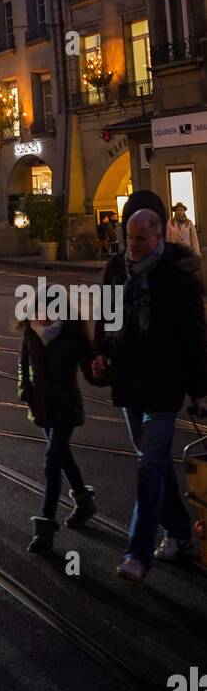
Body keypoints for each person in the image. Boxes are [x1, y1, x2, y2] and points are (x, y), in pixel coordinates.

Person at [93, 193, 207, 582]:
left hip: (164, 382)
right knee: (154, 463)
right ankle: (178, 534)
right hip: (128, 381)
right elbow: (106, 318)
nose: (133, 245)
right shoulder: (116, 269)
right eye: (129, 237)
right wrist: (100, 353)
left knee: (148, 466)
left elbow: (194, 334)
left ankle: (137, 555)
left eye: (140, 239)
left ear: (158, 237)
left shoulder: (176, 275)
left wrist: (199, 388)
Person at [16, 312, 96, 553]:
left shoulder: (72, 335)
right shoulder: (30, 331)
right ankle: (83, 501)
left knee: (52, 461)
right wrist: (25, 390)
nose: (42, 316)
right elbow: (23, 363)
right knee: (62, 456)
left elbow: (91, 372)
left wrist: (101, 369)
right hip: (42, 406)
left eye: (47, 310)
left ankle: (45, 528)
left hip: (65, 407)